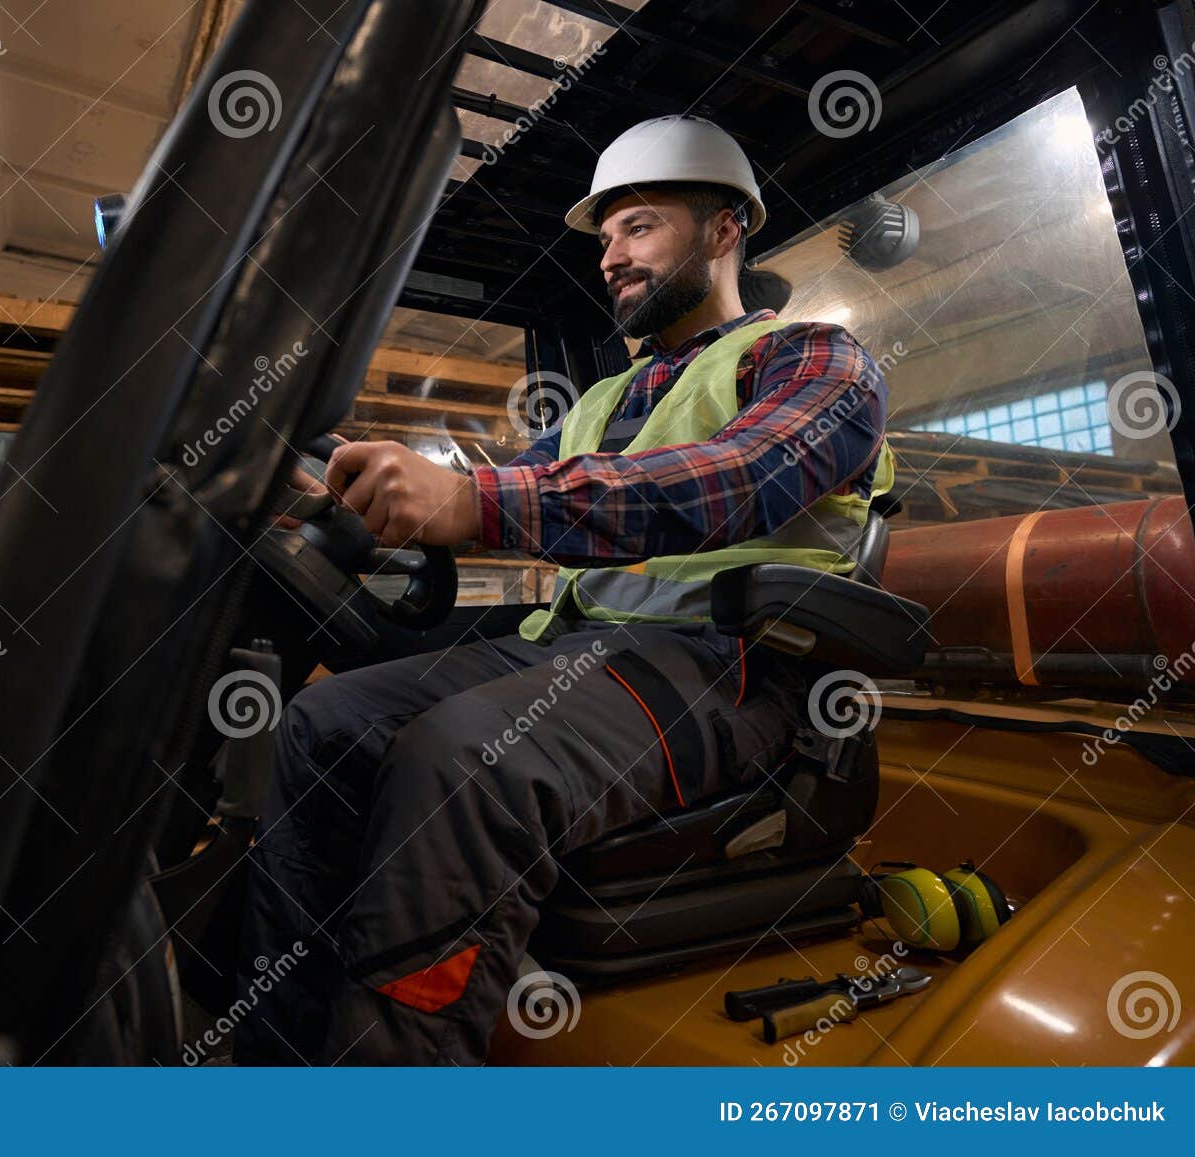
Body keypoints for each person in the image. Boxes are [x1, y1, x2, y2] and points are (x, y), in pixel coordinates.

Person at [236, 115, 892, 1065]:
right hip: (580, 655)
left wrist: (472, 501)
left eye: (638, 227)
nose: (611, 257)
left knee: (465, 757)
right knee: (324, 720)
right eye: (604, 238)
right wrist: (342, 476)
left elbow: (738, 480)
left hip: (730, 672)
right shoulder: (601, 401)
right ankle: (276, 1063)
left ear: (724, 228)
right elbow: (508, 481)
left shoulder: (811, 360)